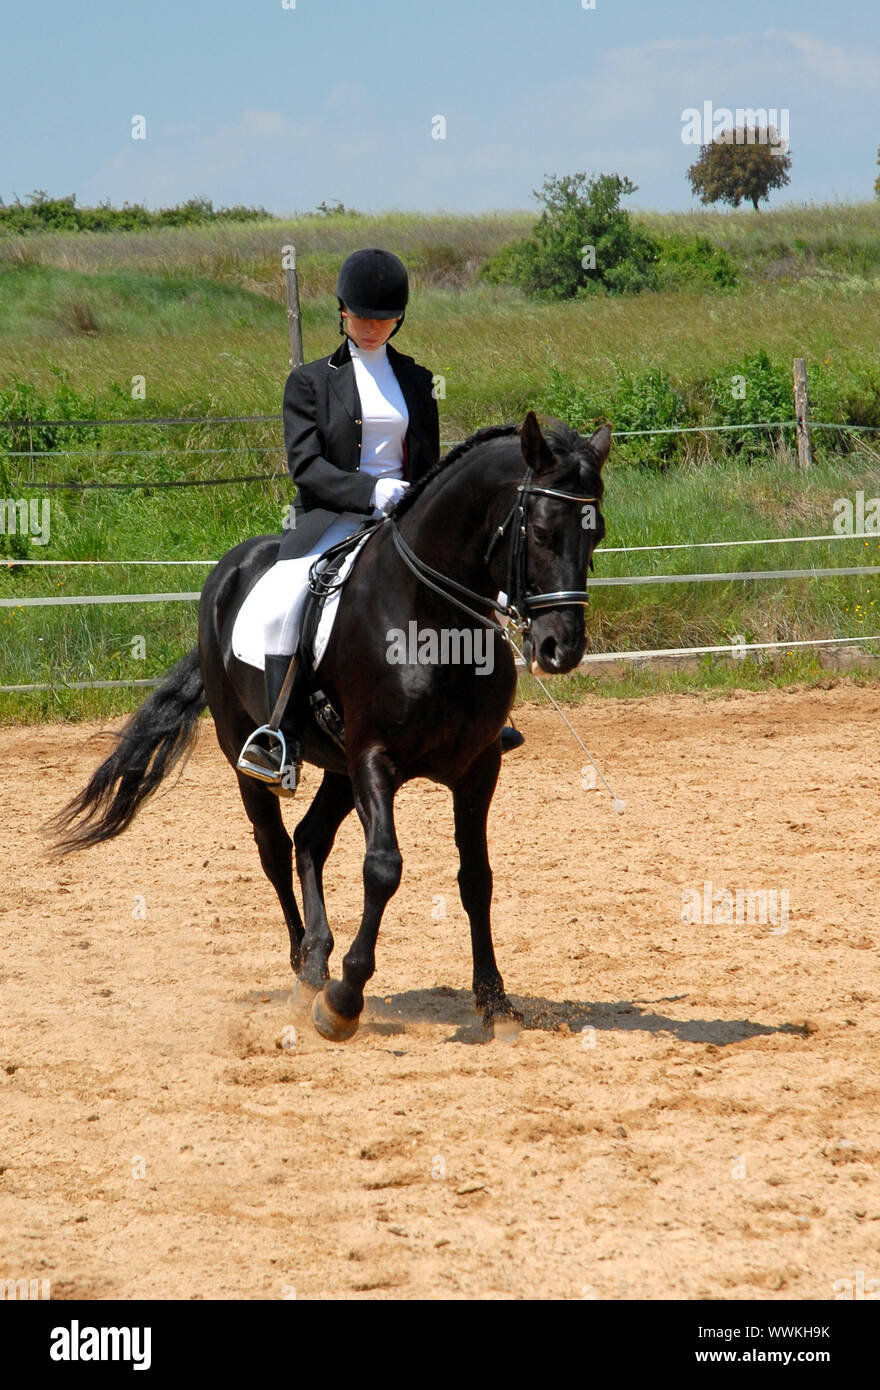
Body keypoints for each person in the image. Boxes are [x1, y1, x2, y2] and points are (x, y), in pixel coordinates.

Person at [237, 246, 523, 793]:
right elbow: (307, 468)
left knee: (477, 596)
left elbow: (434, 463)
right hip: (333, 520)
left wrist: (412, 499)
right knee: (283, 603)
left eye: (385, 319)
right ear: (342, 312)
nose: (372, 328)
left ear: (399, 319)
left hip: (407, 523)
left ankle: (486, 718)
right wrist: (372, 491)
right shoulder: (310, 382)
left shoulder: (417, 380)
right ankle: (279, 739)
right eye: (363, 318)